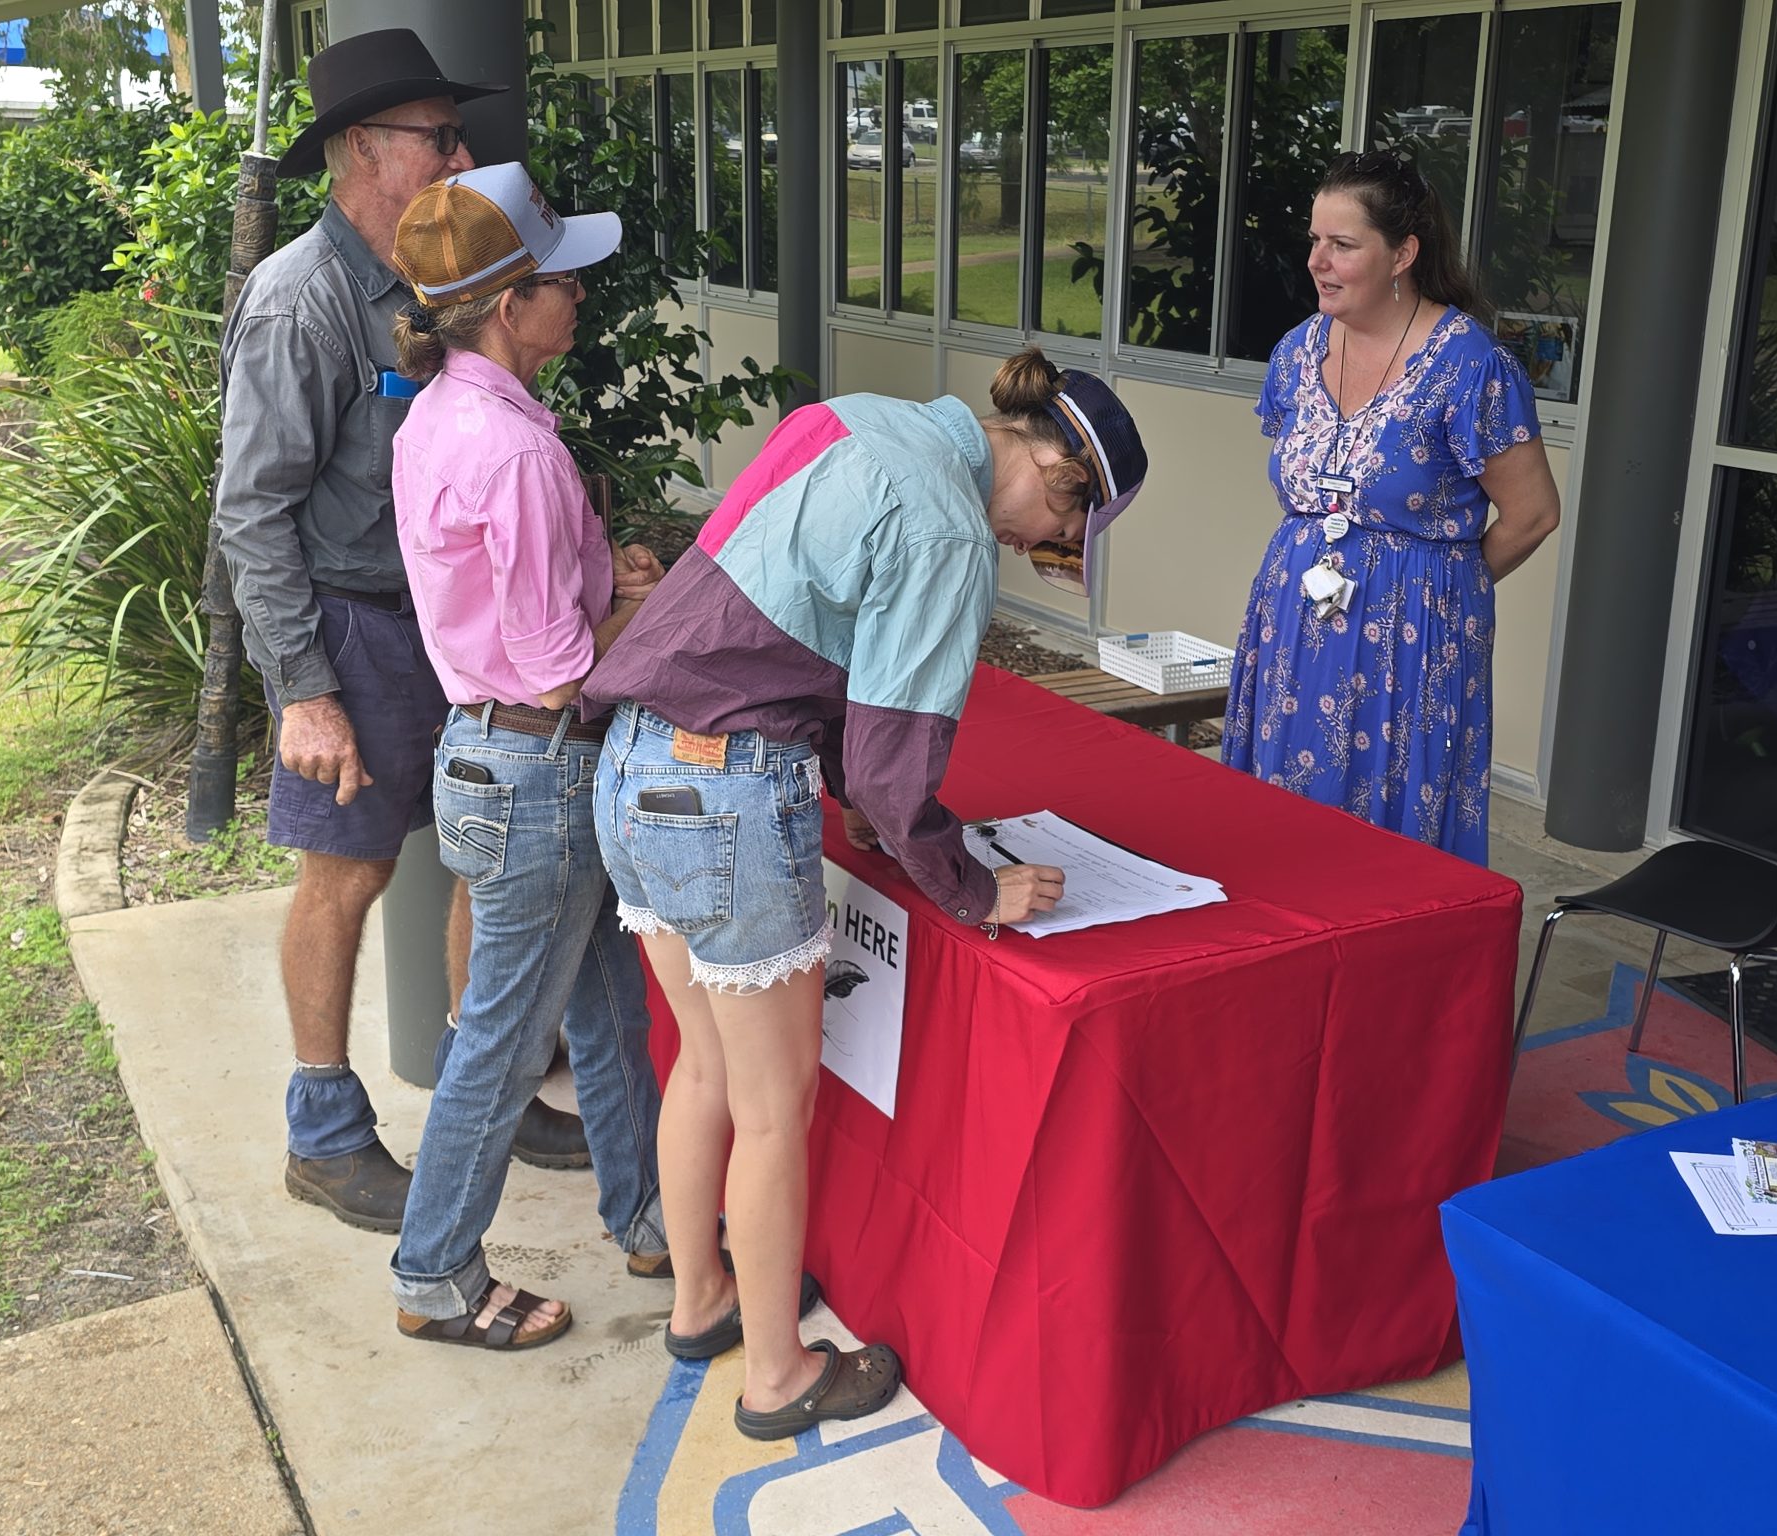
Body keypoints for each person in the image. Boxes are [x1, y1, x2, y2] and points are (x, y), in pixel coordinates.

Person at [586, 349, 1149, 1436]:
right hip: (737, 795)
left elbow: (797, 642)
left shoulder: (852, 416)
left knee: (703, 1064)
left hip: (633, 768)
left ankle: (702, 1298)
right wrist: (971, 889)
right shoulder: (944, 524)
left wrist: (861, 799)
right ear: (1050, 465)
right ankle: (776, 1376)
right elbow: (893, 769)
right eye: (1059, 530)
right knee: (772, 1111)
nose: (1035, 546)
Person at [215, 29, 588, 1236]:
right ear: (360, 150)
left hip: (441, 628)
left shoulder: (435, 277)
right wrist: (302, 692)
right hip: (349, 625)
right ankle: (323, 1132)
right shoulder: (299, 300)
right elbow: (252, 511)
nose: (461, 153)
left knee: (485, 852)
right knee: (349, 872)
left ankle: (498, 1085)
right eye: (438, 135)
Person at [382, 162, 669, 1348]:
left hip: (489, 756)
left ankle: (652, 1212)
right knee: (500, 1045)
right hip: (540, 762)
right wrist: (643, 610)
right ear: (508, 307)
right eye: (563, 282)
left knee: (602, 1009)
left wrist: (609, 585)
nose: (581, 299)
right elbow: (562, 666)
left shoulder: (438, 416)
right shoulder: (519, 454)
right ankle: (435, 1275)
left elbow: (515, 622)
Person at [1220, 149, 1561, 865]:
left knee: (1388, 835)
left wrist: (1437, 594)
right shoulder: (1296, 351)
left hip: (1415, 636)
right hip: (1295, 622)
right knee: (1283, 815)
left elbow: (1532, 514)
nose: (1319, 260)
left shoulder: (1469, 364)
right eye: (1315, 240)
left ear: (1403, 252)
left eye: (1343, 245)